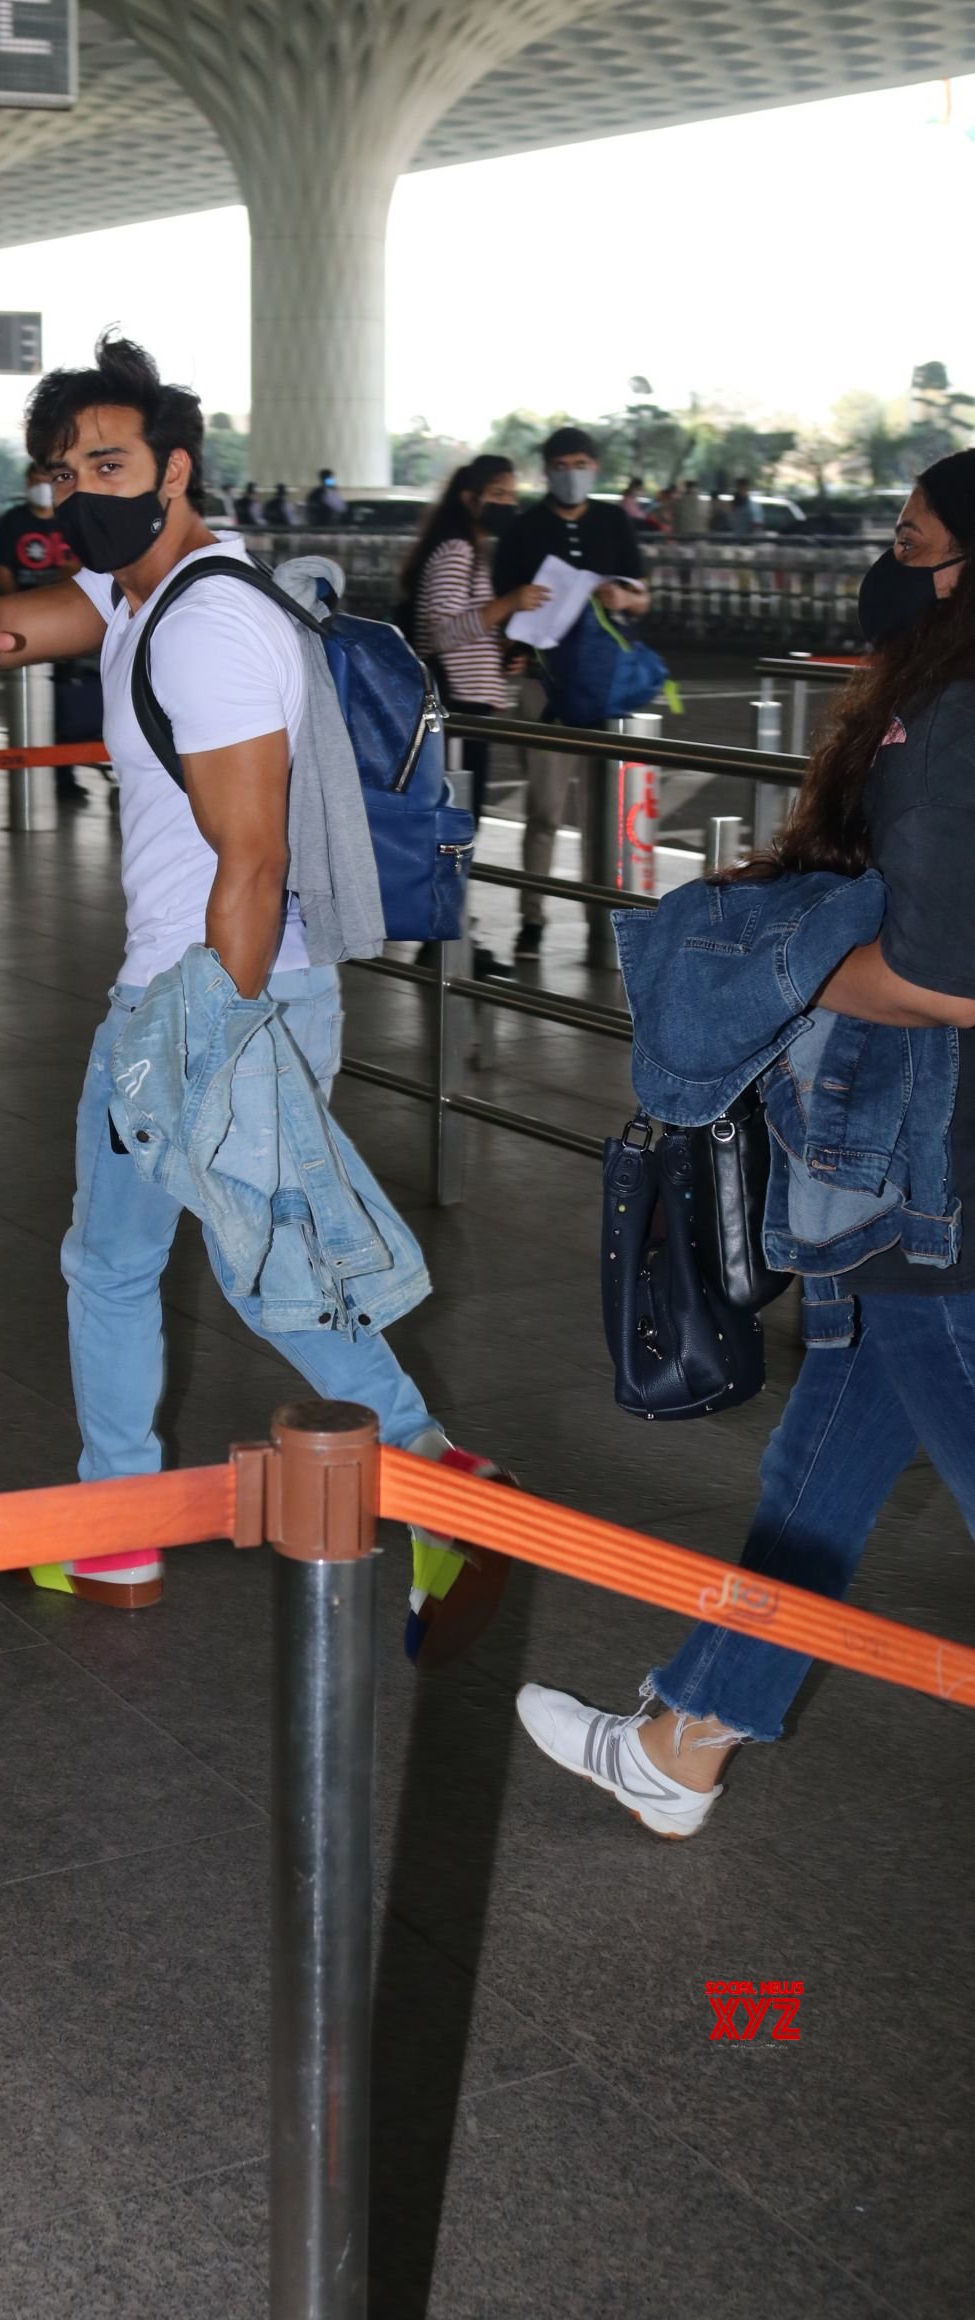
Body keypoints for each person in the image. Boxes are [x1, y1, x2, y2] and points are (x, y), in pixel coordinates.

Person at [0, 333, 491, 1613]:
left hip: (210, 990)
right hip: (201, 991)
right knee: (132, 1258)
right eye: (60, 471)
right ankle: (125, 1518)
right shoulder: (140, 591)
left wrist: (213, 1031)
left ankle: (436, 1480)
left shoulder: (204, 625)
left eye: (108, 460)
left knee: (262, 1274)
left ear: (176, 466)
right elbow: (8, 634)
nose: (79, 488)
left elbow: (250, 859)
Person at [518, 450, 975, 1837]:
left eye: (909, 538)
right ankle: (681, 1743)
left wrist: (776, 958)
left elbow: (945, 968)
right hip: (903, 1164)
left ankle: (683, 1738)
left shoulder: (948, 720)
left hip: (926, 1170)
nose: (886, 562)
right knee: (821, 1459)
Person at [491, 428, 651, 961]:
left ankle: (604, 925)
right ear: (546, 469)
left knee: (608, 814)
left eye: (580, 462)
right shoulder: (524, 529)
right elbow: (502, 605)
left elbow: (643, 598)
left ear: (595, 467)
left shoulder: (612, 521)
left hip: (608, 686)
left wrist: (621, 596)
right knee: (544, 809)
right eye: (561, 464)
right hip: (546, 685)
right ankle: (532, 918)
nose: (571, 472)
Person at [397, 455, 548, 975]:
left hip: (468, 703)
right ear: (470, 497)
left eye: (512, 494)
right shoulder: (457, 551)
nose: (508, 503)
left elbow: (464, 631)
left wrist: (502, 650)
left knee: (458, 826)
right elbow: (442, 631)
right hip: (456, 711)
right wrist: (509, 604)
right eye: (499, 494)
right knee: (455, 828)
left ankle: (445, 937)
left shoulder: (467, 550)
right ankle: (442, 941)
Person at [0, 465, 90, 800]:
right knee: (29, 700)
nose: (42, 487)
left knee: (64, 701)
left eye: (49, 481)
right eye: (36, 482)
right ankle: (30, 772)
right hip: (26, 621)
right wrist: (16, 609)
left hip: (64, 620)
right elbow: (1, 568)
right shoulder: (14, 521)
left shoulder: (70, 518)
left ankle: (63, 776)